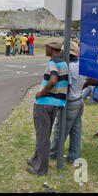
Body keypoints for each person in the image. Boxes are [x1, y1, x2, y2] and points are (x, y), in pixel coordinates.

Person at [27, 37, 69, 176]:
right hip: (55, 103)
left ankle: (40, 169)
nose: (45, 49)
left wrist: (40, 93)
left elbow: (53, 80)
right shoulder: (63, 62)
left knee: (42, 137)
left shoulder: (53, 62)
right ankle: (35, 159)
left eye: (46, 47)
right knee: (45, 134)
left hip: (45, 103)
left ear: (51, 49)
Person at [50, 41, 87, 164]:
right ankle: (73, 156)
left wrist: (60, 101)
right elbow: (93, 78)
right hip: (79, 99)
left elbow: (68, 86)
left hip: (70, 102)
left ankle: (53, 154)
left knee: (60, 130)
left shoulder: (68, 67)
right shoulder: (81, 65)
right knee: (76, 130)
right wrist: (81, 87)